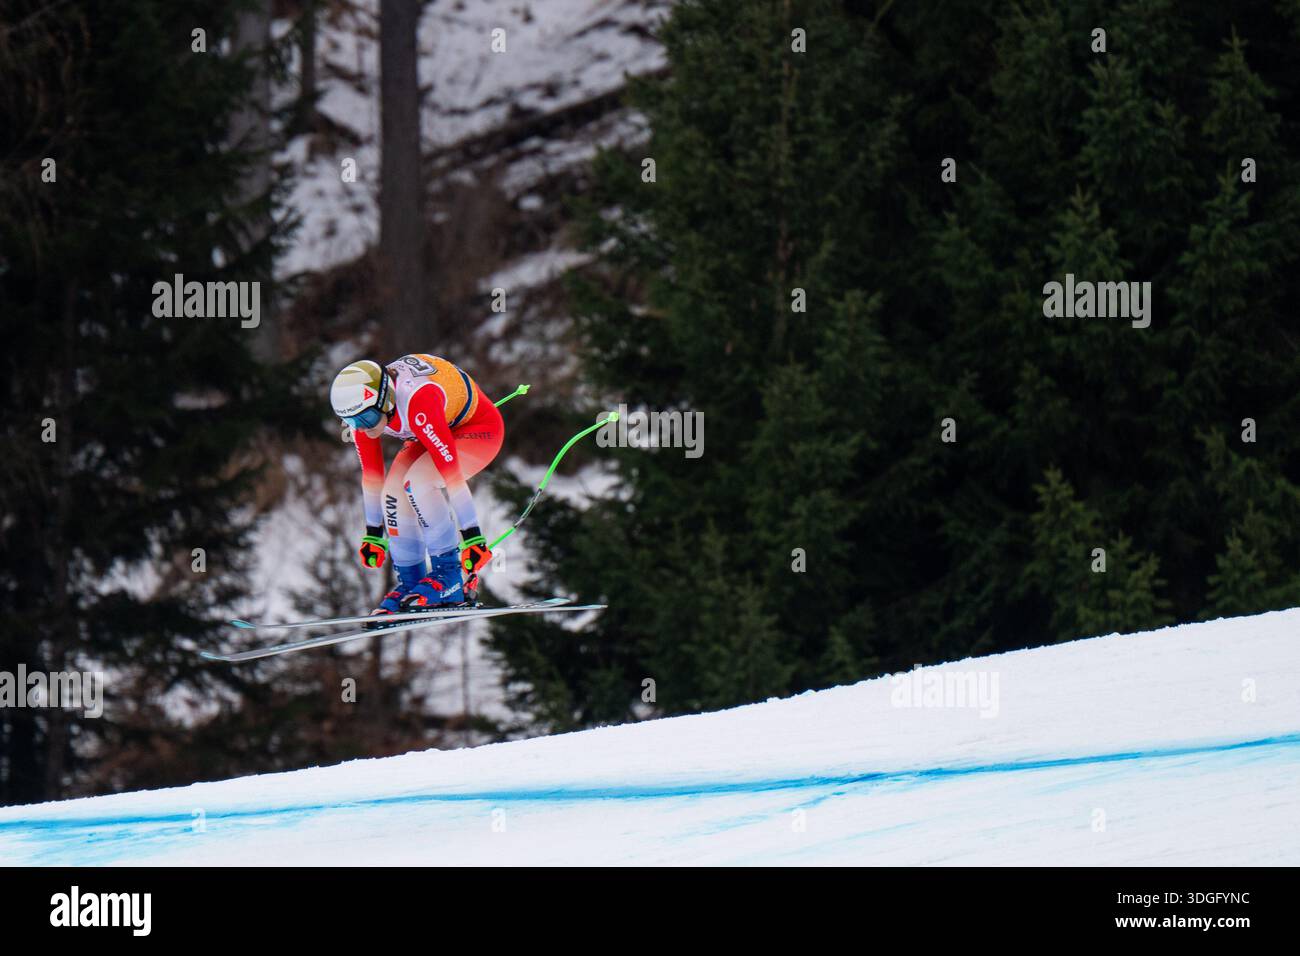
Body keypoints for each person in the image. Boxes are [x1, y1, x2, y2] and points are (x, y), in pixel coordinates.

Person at [329, 354, 502, 614]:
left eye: (364, 420)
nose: (361, 429)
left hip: (476, 430)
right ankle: (411, 582)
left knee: (418, 482)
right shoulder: (364, 411)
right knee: (392, 493)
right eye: (351, 422)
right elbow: (372, 477)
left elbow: (452, 476)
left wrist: (473, 537)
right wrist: (373, 534)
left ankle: (449, 577)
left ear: (385, 400)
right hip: (430, 431)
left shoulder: (418, 401)